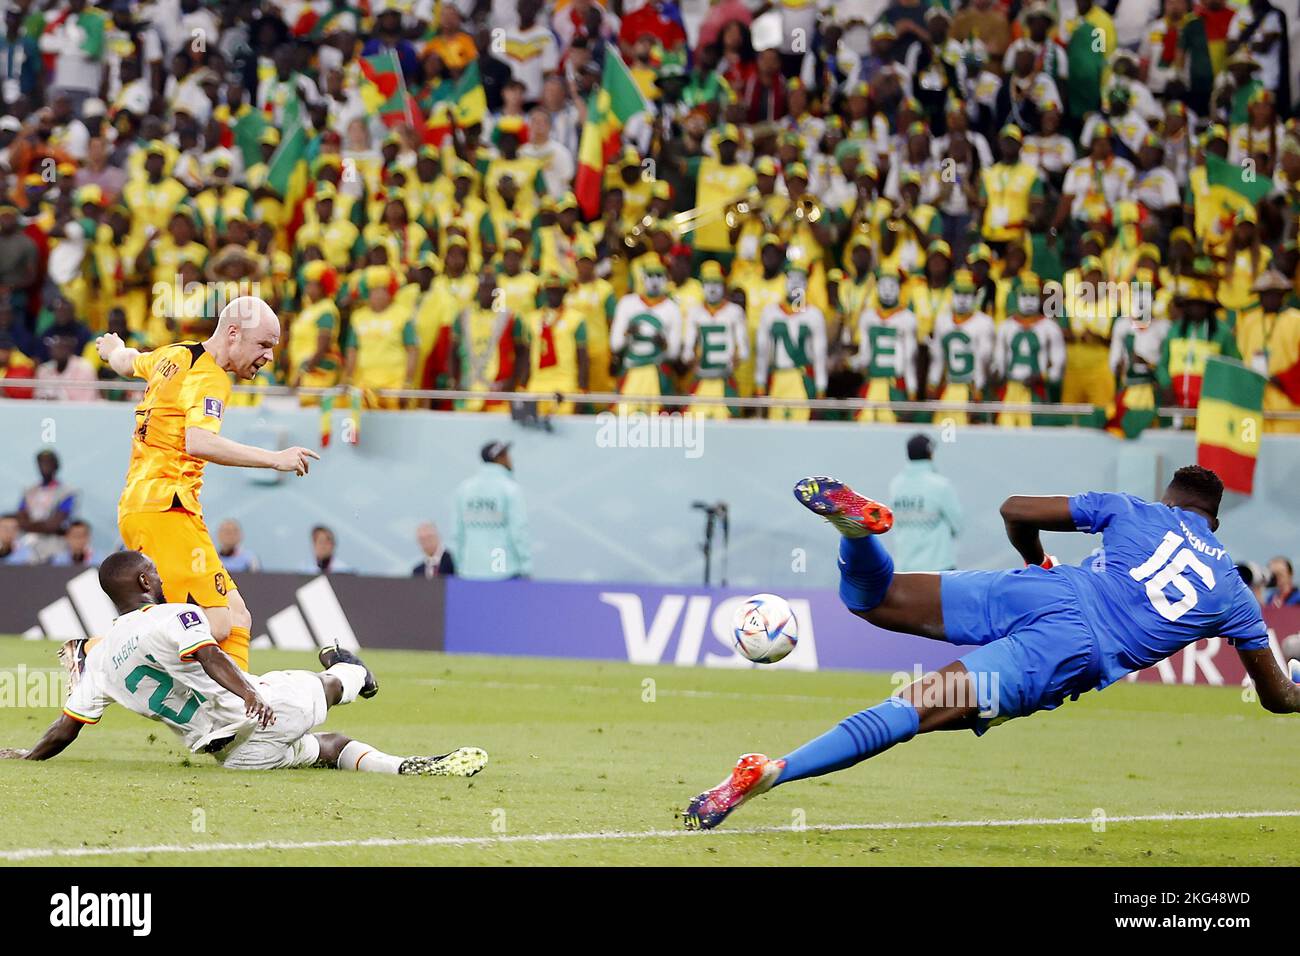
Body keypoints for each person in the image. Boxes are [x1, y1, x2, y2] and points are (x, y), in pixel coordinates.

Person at [684, 466, 1299, 829]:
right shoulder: (1236, 595)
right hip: (1065, 651)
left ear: (1169, 500)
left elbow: (1015, 509)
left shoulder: (1131, 509)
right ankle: (771, 771)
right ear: (1213, 522)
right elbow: (1276, 697)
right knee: (914, 708)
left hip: (1039, 589)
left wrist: (1036, 561)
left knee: (877, 597)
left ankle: (856, 532)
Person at [1, 551, 487, 777]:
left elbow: (67, 727)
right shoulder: (175, 614)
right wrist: (250, 695)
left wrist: (28, 755)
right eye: (156, 569)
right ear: (147, 579)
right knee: (332, 685)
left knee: (327, 750)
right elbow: (211, 655)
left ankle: (406, 768)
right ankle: (354, 671)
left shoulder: (102, 655)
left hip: (232, 757)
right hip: (261, 710)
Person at [95, 296, 320, 672]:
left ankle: (236, 713)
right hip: (167, 507)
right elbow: (199, 442)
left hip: (152, 507)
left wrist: (113, 348)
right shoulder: (211, 378)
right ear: (233, 334)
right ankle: (100, 652)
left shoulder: (175, 355)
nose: (268, 357)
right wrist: (274, 459)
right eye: (263, 344)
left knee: (236, 617)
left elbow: (127, 361)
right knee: (215, 624)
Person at [453, 441, 532, 581]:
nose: (510, 459)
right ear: (499, 458)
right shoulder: (509, 489)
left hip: (470, 567)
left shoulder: (464, 488)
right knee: (500, 600)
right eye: (506, 455)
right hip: (500, 566)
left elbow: (456, 533)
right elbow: (519, 530)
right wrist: (526, 566)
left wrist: (459, 565)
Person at [887, 434, 964, 572]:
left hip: (905, 569)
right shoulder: (941, 485)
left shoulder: (895, 485)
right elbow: (957, 525)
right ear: (930, 453)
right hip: (938, 569)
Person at [17, 449, 77, 563]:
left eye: (48, 463)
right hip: (29, 546)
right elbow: (21, 520)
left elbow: (55, 523)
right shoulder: (29, 491)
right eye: (41, 463)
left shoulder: (67, 492)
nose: (44, 466)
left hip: (55, 546)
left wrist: (32, 525)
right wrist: (42, 525)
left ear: (56, 465)